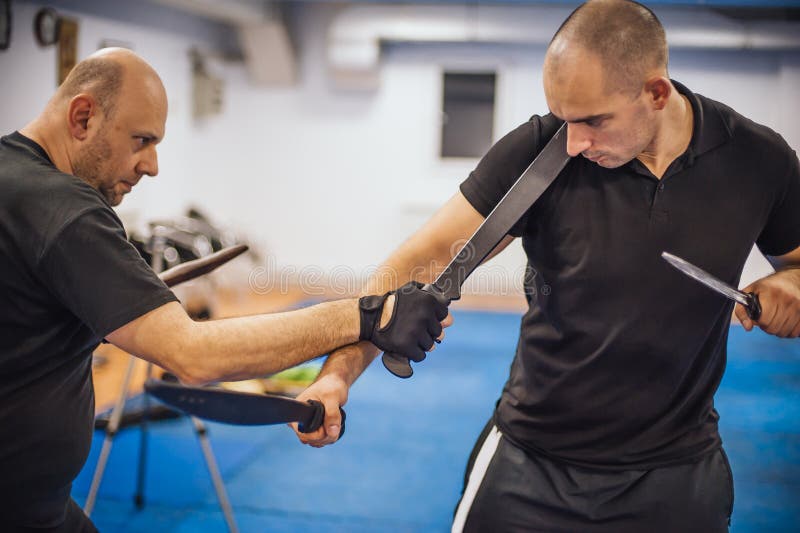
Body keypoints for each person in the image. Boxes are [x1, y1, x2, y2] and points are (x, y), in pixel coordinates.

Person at [291, 1, 800, 531]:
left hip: (676, 474)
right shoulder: (541, 151)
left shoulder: (759, 160)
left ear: (656, 93)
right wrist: (337, 376)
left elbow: (797, 267)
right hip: (532, 463)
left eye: (594, 121)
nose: (575, 143)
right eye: (564, 118)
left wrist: (790, 285)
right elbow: (418, 262)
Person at [0, 48, 452, 532]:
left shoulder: (12, 175)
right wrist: (369, 315)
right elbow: (194, 356)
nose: (152, 165)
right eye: (141, 140)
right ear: (83, 117)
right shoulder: (64, 210)